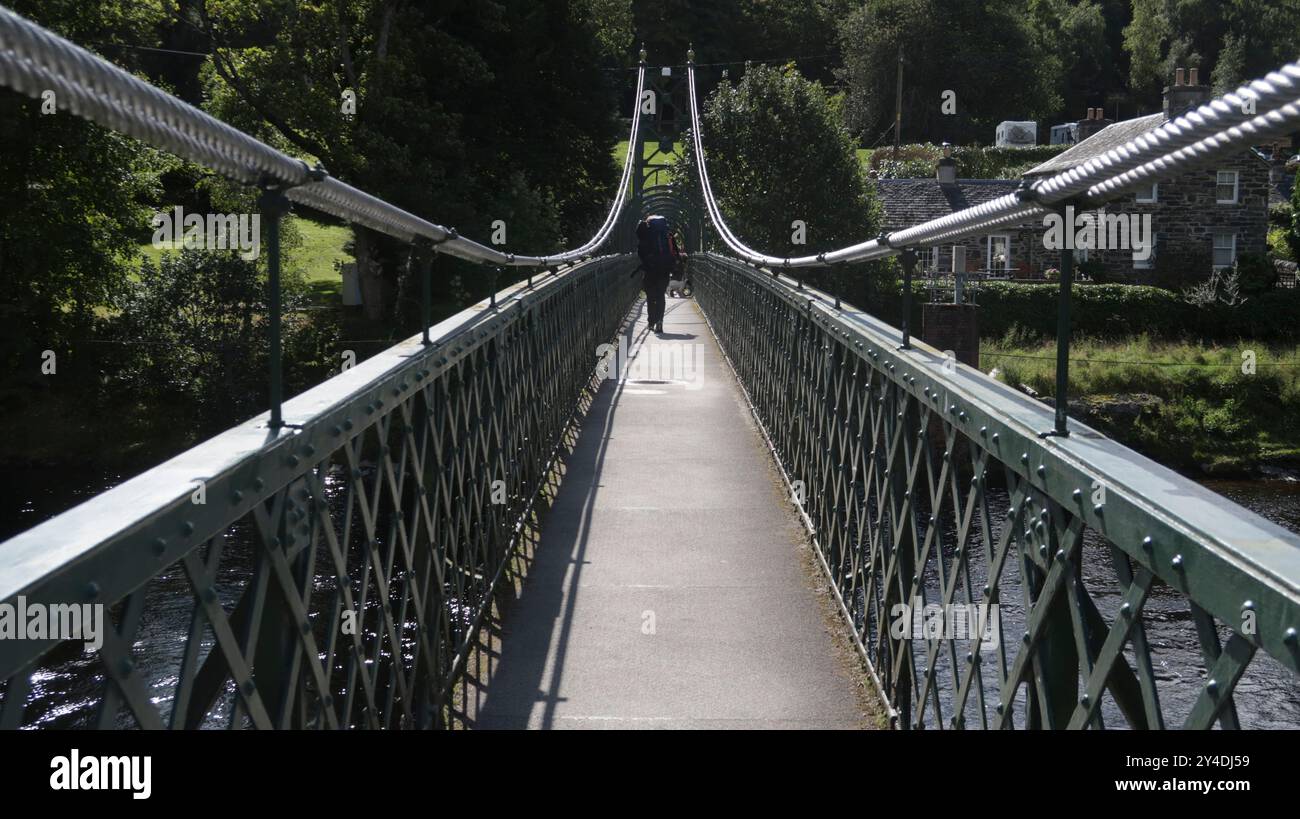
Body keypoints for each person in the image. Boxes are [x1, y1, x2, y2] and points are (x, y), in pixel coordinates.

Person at [635, 215, 674, 333]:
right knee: (661, 295)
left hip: (650, 270)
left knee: (651, 297)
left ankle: (651, 322)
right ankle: (660, 322)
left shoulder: (645, 235)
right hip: (664, 270)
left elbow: (640, 252)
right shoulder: (665, 235)